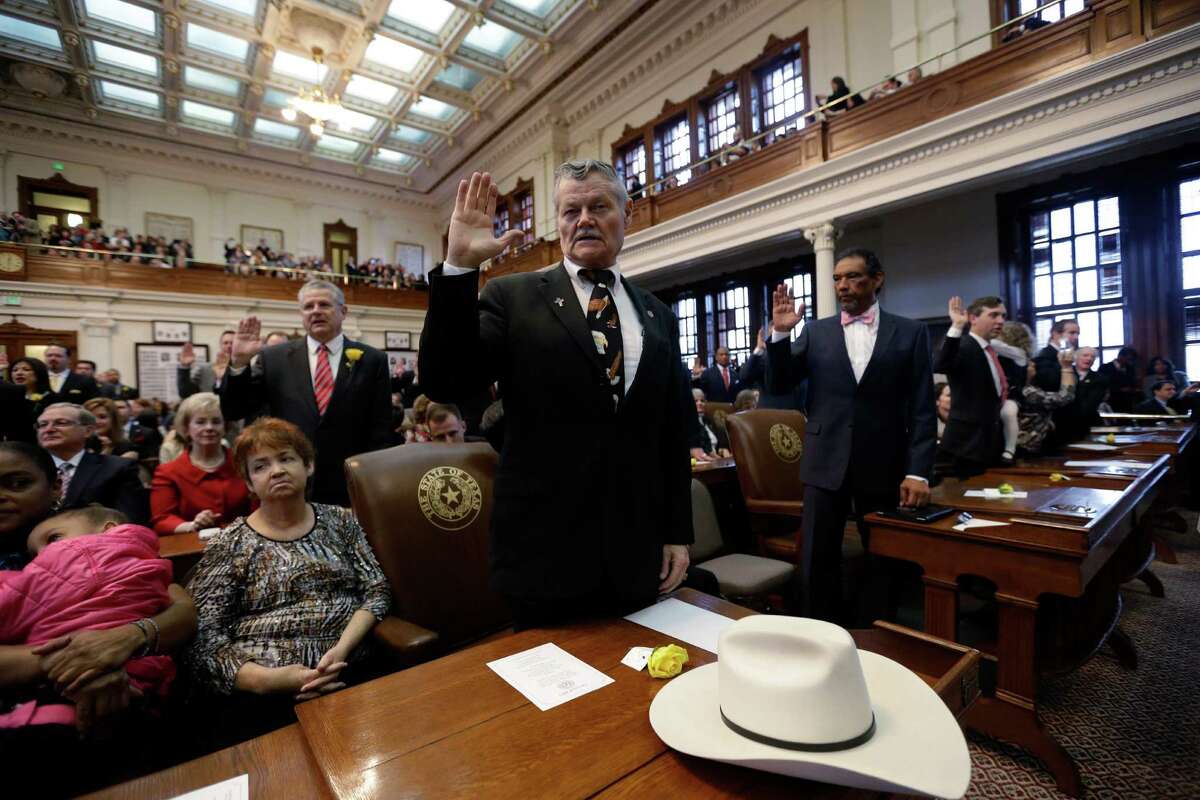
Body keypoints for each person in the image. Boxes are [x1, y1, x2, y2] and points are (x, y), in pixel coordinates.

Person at [420, 163, 693, 628]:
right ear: (560, 222)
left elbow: (670, 432)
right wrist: (460, 268)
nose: (583, 218)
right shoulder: (514, 296)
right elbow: (446, 379)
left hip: (635, 550)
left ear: (626, 216)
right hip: (544, 553)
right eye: (571, 210)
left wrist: (676, 533)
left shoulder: (658, 315)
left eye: (598, 207)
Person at [0, 442, 197, 795]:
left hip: (125, 697)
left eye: (17, 483)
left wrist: (129, 637)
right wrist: (83, 659)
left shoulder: (85, 537)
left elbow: (179, 607)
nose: (2, 496)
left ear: (56, 486)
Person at [184, 418, 390, 744]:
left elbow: (376, 590)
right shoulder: (230, 544)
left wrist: (341, 651)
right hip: (262, 695)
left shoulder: (341, 520)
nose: (276, 470)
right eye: (261, 466)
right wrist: (268, 680)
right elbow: (204, 641)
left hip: (351, 671)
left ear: (308, 466)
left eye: (286, 458)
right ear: (250, 483)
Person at [767, 248, 935, 623]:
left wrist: (919, 471)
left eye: (853, 277)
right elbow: (779, 384)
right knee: (817, 559)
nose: (842, 285)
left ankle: (876, 635)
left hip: (884, 462)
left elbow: (923, 408)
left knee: (882, 558)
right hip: (825, 460)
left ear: (877, 280)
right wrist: (779, 333)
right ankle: (818, 634)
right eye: (837, 278)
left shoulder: (910, 332)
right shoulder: (815, 332)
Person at [218, 280, 393, 506]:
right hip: (289, 484)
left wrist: (376, 482)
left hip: (351, 486)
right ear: (301, 314)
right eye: (309, 307)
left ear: (343, 311)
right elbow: (234, 409)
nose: (316, 311)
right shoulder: (274, 358)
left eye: (324, 305)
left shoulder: (371, 360)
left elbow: (380, 429)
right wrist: (239, 363)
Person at [0, 507, 175, 731]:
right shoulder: (147, 563)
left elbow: (14, 604)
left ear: (109, 530)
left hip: (59, 700)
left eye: (53, 538)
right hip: (141, 684)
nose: (42, 555)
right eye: (33, 555)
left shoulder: (78, 554)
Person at [150, 392, 251, 537]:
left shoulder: (244, 463)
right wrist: (192, 525)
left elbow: (259, 508)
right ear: (186, 427)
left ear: (226, 426)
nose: (209, 427)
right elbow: (162, 519)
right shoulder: (168, 472)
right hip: (191, 549)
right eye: (200, 422)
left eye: (216, 421)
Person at [36, 403, 148, 524]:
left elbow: (129, 521)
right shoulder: (30, 468)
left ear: (88, 431)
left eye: (61, 423)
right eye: (42, 425)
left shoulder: (118, 468)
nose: (48, 429)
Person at [935, 296, 1008, 475]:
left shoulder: (991, 350)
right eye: (993, 315)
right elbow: (941, 364)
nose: (1000, 321)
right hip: (966, 444)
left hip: (989, 441)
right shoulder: (965, 345)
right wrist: (957, 326)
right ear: (973, 318)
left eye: (1003, 316)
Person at [1017, 350, 1077, 455]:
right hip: (1025, 449)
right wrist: (1066, 367)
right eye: (1029, 365)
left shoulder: (1026, 389)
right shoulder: (1027, 392)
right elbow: (1065, 397)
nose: (1030, 368)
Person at [992, 321, 1034, 464]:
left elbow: (994, 344)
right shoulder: (998, 354)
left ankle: (1009, 450)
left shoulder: (1018, 353)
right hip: (996, 393)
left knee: (1008, 413)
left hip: (1013, 394)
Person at [178, 331, 235, 399]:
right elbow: (185, 393)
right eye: (225, 343)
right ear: (220, 345)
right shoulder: (204, 369)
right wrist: (184, 367)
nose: (229, 346)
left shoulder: (247, 371)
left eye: (233, 343)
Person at [1032, 319, 1079, 391]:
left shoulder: (1067, 355)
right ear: (1055, 334)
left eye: (1077, 334)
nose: (1076, 337)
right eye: (1072, 333)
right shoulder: (1044, 356)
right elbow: (1050, 384)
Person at [1098, 346, 1141, 413]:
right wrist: (1119, 389)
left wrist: (1133, 389)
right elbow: (1102, 384)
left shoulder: (1130, 369)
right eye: (1128, 359)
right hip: (1111, 401)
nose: (1129, 362)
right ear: (1120, 356)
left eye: (1131, 360)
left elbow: (1133, 383)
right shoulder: (1105, 367)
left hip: (1127, 403)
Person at [691, 389, 730, 459]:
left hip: (716, 460)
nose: (700, 403)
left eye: (702, 401)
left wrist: (722, 449)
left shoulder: (709, 421)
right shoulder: (687, 425)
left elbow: (717, 444)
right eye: (695, 401)